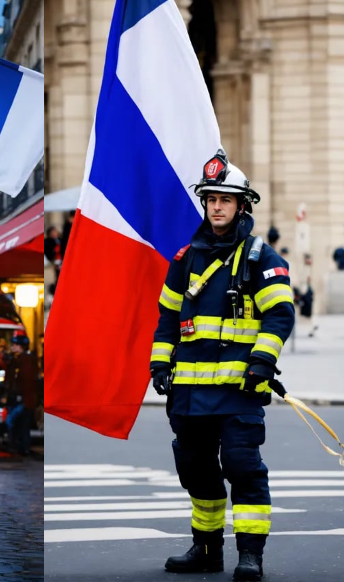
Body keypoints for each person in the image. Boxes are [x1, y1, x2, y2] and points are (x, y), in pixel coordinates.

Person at [150, 151, 294, 582]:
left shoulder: (259, 258)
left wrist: (262, 362)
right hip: (190, 395)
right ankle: (207, 550)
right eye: (211, 198)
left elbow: (279, 315)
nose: (217, 206)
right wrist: (160, 364)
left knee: (242, 468)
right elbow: (167, 318)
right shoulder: (184, 259)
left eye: (225, 200)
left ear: (241, 205)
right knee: (195, 471)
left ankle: (250, 554)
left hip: (239, 393)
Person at [4, 334, 39, 455]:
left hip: (23, 399)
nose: (12, 347)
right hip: (19, 398)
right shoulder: (16, 360)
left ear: (21, 347)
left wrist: (22, 397)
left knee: (15, 422)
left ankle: (19, 446)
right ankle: (20, 447)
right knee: (20, 424)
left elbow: (27, 381)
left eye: (15, 345)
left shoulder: (25, 361)